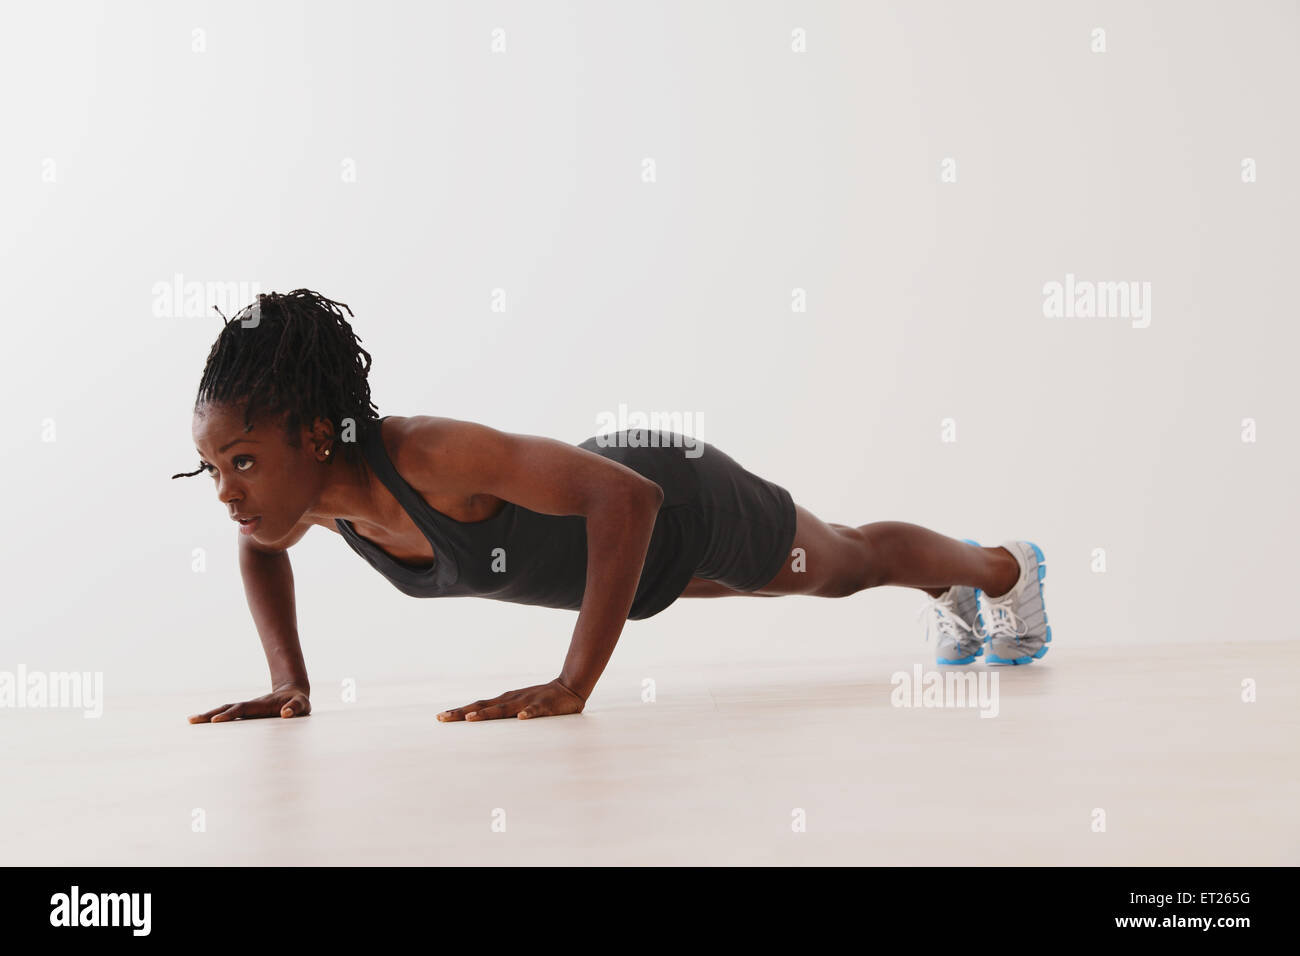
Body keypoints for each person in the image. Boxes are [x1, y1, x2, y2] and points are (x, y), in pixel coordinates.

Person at [175, 290, 1051, 725]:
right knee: (766, 587)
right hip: (616, 568)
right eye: (212, 467)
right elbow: (263, 550)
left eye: (243, 462)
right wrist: (289, 682)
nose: (227, 491)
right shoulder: (302, 507)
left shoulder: (428, 455)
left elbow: (625, 497)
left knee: (844, 567)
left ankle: (1003, 571)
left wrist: (571, 686)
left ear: (318, 433)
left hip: (670, 497)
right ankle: (963, 588)